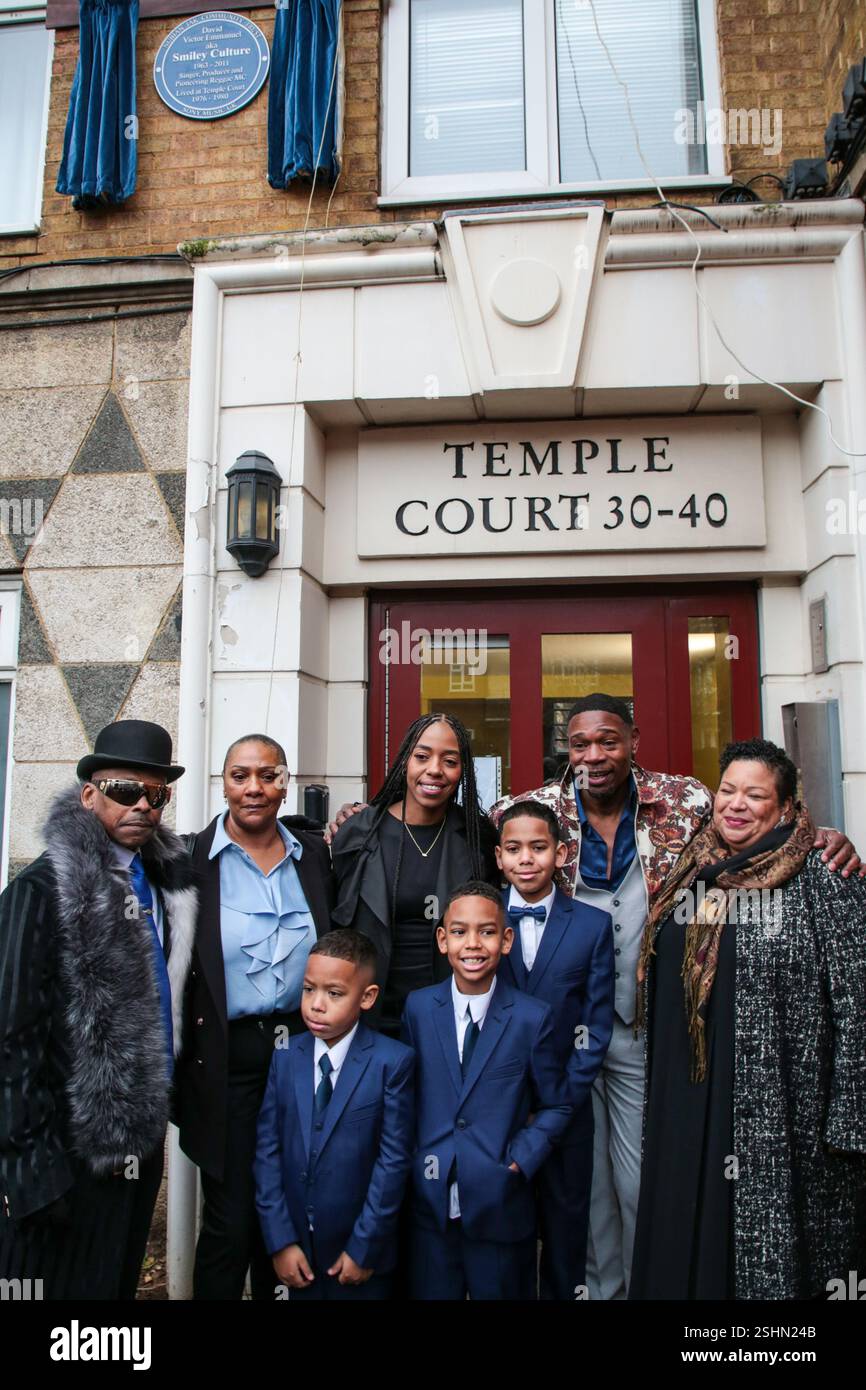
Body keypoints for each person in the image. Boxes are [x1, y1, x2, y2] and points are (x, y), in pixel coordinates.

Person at [487, 692, 862, 1301]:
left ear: (634, 740)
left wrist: (817, 834)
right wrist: (353, 819)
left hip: (645, 1032)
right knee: (580, 1185)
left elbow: (755, 825)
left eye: (609, 740)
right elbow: (445, 832)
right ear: (565, 747)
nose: (594, 755)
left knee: (646, 1180)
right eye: (580, 743)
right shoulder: (525, 811)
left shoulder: (686, 802)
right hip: (559, 1034)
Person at [630, 738, 866, 1300]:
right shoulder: (695, 866)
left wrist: (851, 1122)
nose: (735, 804)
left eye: (754, 795)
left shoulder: (825, 879)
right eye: (728, 790)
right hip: (687, 1098)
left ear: (785, 808)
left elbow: (857, 1004)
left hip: (784, 1109)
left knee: (767, 1257)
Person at [0, 719, 196, 1299]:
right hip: (61, 1154)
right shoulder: (42, 892)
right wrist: (30, 1171)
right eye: (124, 790)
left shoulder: (166, 885)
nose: (143, 804)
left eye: (156, 794)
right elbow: (10, 1042)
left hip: (136, 1147)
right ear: (89, 794)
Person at [174, 734, 335, 1301]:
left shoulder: (314, 854)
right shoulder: (189, 859)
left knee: (290, 1209)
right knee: (232, 1219)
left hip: (300, 1053)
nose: (254, 788)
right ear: (223, 782)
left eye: (268, 776)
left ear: (285, 783)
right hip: (225, 1057)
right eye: (240, 775)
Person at [401, 880, 572, 1300]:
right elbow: (407, 1095)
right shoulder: (419, 1009)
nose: (473, 944)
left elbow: (558, 1103)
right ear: (442, 940)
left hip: (500, 1205)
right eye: (459, 932)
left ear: (507, 939)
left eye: (488, 931)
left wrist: (520, 1158)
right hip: (431, 1205)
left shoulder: (533, 1018)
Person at [254, 930, 414, 1301]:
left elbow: (392, 1164)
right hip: (297, 1256)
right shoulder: (285, 1056)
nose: (317, 1005)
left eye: (334, 994)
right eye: (309, 990)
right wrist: (280, 1241)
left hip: (358, 1258)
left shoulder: (392, 1063)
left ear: (368, 997)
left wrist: (364, 1248)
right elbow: (267, 1153)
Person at [496, 800, 614, 1300]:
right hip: (498, 1111)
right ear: (499, 857)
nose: (527, 859)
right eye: (514, 849)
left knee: (566, 1238)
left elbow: (597, 1022)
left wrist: (563, 1101)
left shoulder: (591, 925)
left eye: (539, 847)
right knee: (508, 1240)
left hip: (566, 1108)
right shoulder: (479, 921)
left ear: (561, 853)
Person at [331, 713, 499, 1036]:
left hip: (453, 1019)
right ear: (405, 761)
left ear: (463, 770)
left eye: (449, 760)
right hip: (369, 1015)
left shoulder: (477, 838)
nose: (434, 769)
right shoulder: (359, 834)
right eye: (422, 756)